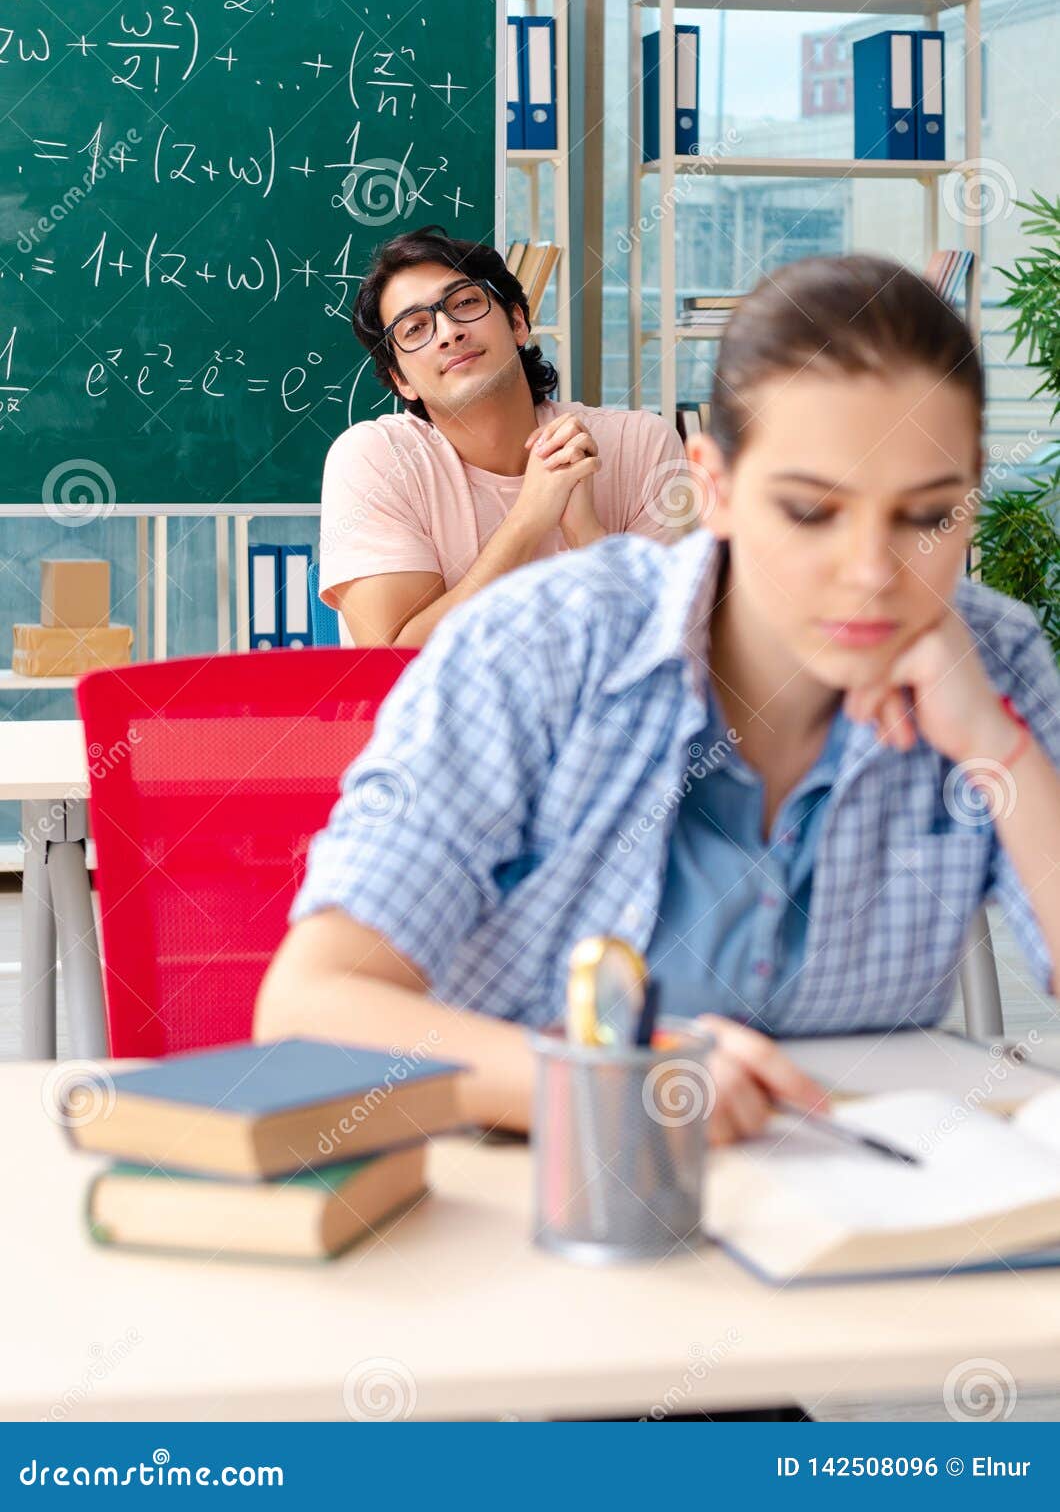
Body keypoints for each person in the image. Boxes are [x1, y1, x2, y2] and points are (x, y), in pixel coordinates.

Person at [256, 253, 1060, 1144]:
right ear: (711, 485)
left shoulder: (994, 659)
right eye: (809, 512)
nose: (872, 574)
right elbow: (309, 1005)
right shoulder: (536, 648)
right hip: (545, 1183)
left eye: (924, 515)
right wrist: (625, 1085)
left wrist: (996, 742)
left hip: (850, 1201)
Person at [320, 225, 689, 646]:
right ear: (402, 379)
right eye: (415, 328)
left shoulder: (641, 443)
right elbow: (387, 668)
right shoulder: (376, 459)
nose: (449, 332)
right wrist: (527, 521)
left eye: (465, 303)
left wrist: (586, 535)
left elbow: (676, 647)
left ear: (516, 322)